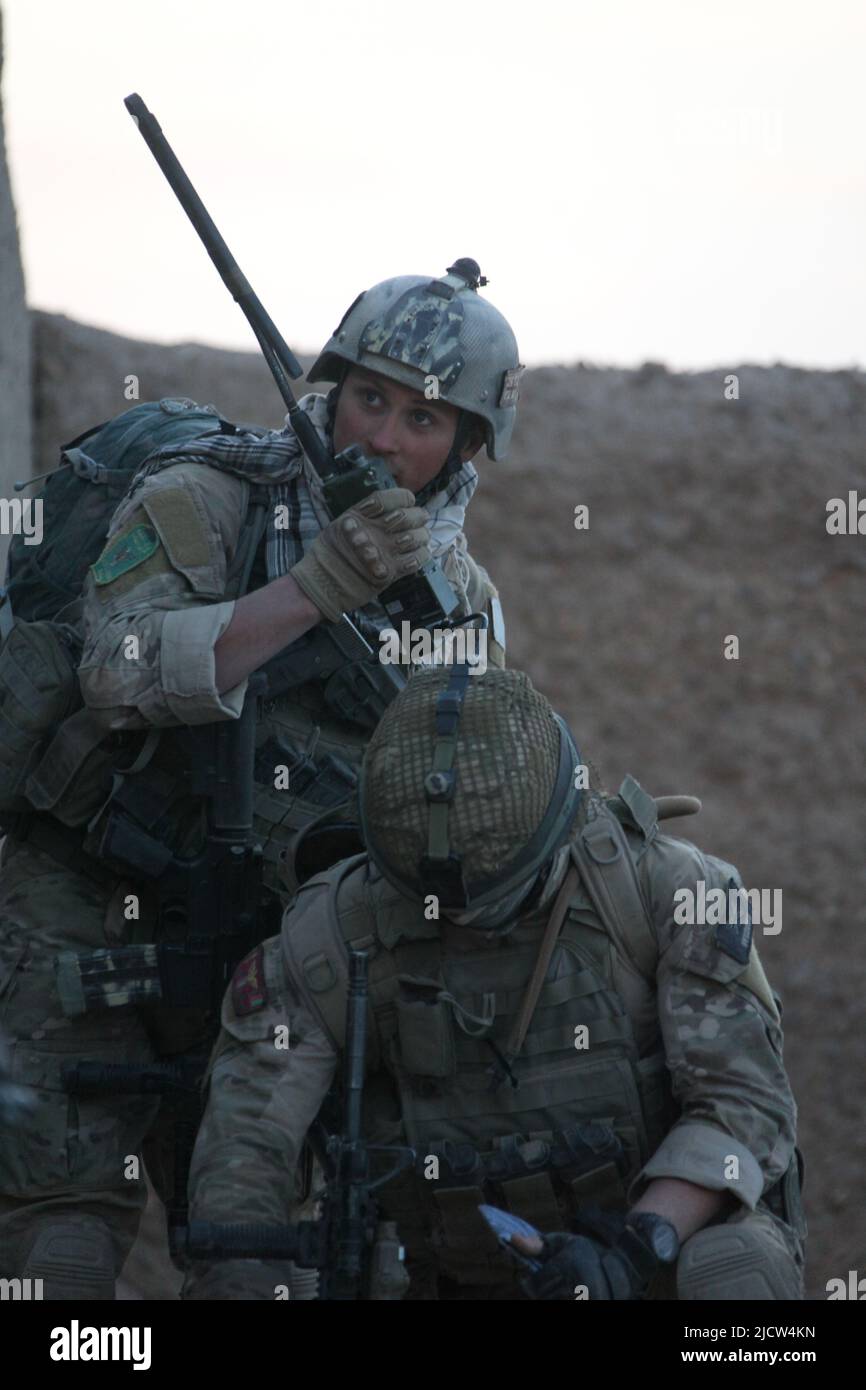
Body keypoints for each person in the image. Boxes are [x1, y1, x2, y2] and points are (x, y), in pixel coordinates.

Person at [0, 259, 520, 1298]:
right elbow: (118, 673)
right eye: (368, 398)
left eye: (422, 419)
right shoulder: (205, 491)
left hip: (274, 960)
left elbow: (454, 792)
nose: (380, 437)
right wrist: (311, 589)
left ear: (465, 445)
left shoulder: (459, 602)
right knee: (57, 1246)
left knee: (252, 1259)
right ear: (327, 388)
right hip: (94, 901)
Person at [182, 666, 806, 1301]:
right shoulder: (328, 937)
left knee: (737, 1266)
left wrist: (629, 1253)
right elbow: (248, 1147)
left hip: (645, 1264)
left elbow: (742, 1108)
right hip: (440, 1276)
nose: (461, 922)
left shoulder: (666, 894)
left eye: (496, 902)